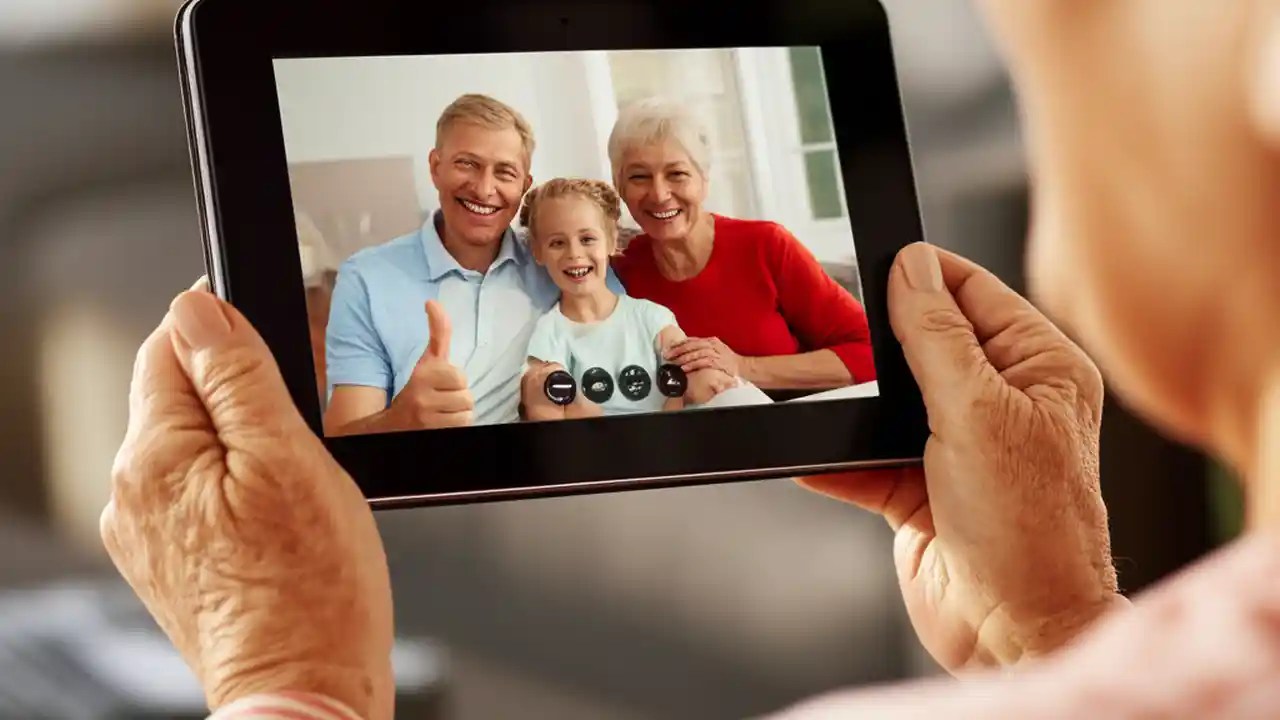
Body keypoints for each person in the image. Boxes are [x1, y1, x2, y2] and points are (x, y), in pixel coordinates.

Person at [97, 1, 1280, 718]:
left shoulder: (723, 260)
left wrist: (285, 679)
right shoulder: (493, 287)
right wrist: (1061, 628)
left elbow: (828, 351)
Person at [321, 93, 622, 436]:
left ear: (525, 186)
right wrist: (400, 419)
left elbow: (628, 344)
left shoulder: (563, 260)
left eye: (505, 172)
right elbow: (342, 436)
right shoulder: (366, 279)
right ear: (436, 167)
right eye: (467, 164)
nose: (483, 189)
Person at [606, 97, 877, 394]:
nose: (659, 194)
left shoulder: (766, 246)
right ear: (620, 187)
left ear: (703, 179)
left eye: (677, 174)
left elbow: (870, 353)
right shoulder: (618, 272)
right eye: (639, 177)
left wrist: (743, 367)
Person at [516, 177, 745, 421]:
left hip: (665, 436)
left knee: (705, 376)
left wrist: (685, 395)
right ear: (538, 252)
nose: (574, 254)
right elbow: (545, 411)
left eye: (587, 239)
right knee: (539, 386)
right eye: (557, 243)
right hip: (591, 444)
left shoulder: (650, 317)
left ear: (611, 241)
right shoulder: (550, 331)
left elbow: (689, 371)